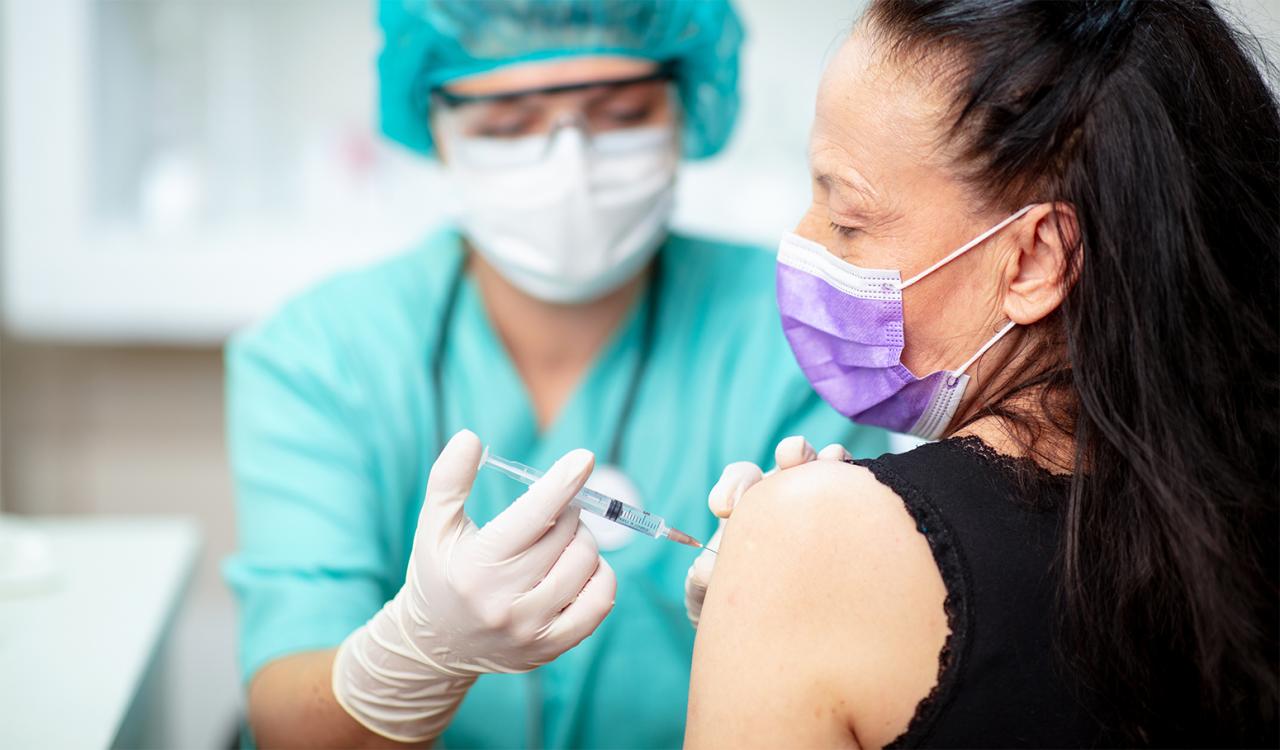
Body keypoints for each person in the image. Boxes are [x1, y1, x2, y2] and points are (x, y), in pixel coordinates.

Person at [223, 1, 888, 747]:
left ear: (683, 110)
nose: (569, 163)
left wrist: (803, 614)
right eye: (508, 123)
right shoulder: (321, 352)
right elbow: (285, 721)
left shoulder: (796, 337)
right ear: (436, 129)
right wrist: (414, 656)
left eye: (622, 111)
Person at [686, 0, 1279, 747]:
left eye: (848, 221)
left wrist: (791, 566)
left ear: (1033, 259)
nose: (801, 246)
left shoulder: (811, 540)